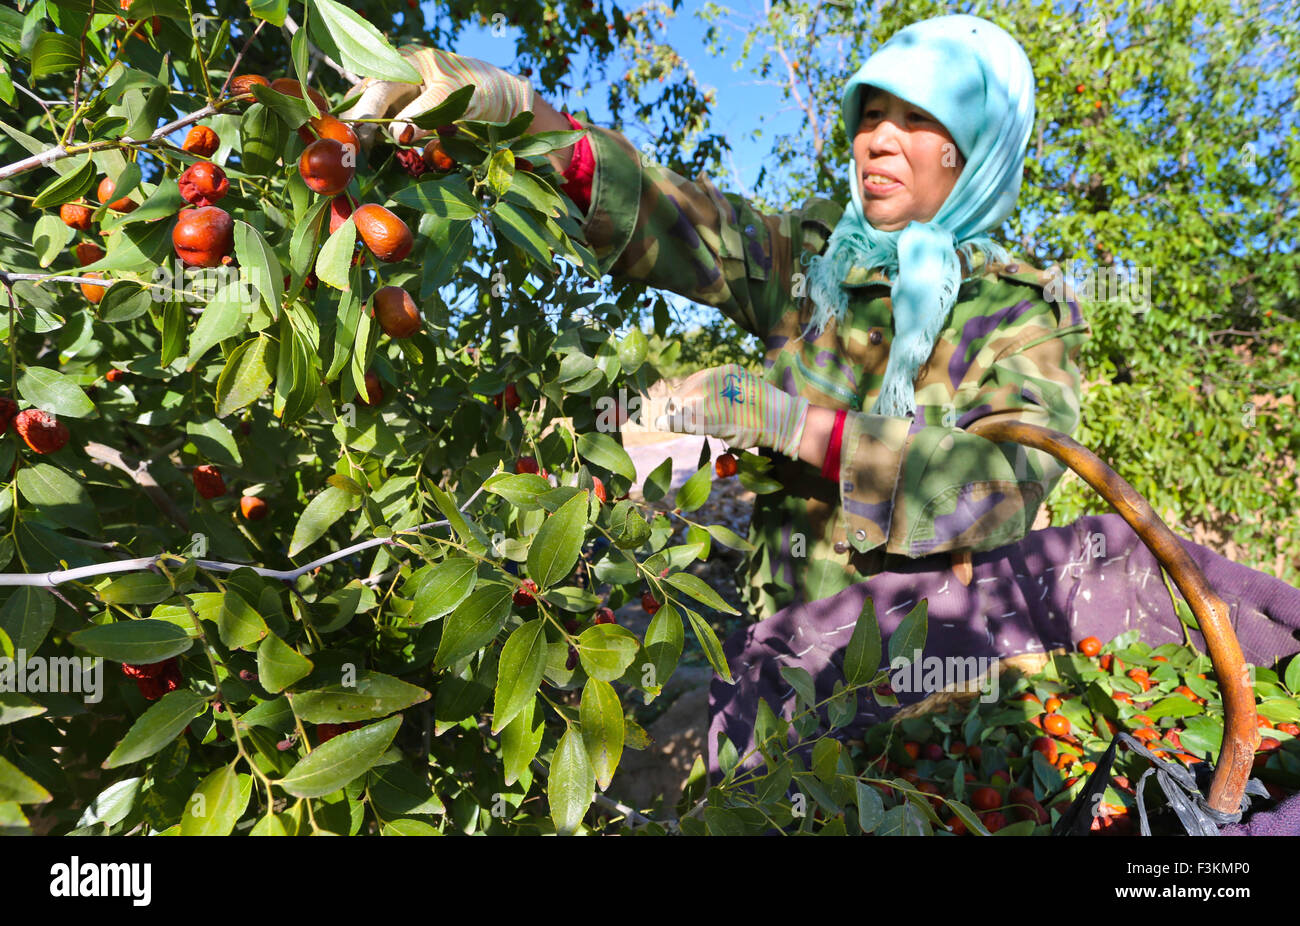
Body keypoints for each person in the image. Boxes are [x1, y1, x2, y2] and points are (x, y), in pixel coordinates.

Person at [347, 16, 1300, 799]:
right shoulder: (811, 263)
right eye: (867, 114)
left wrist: (800, 425)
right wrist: (522, 119)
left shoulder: (1020, 310)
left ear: (978, 150)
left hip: (935, 677)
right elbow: (672, 218)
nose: (877, 139)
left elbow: (1003, 485)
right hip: (783, 654)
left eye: (916, 120)